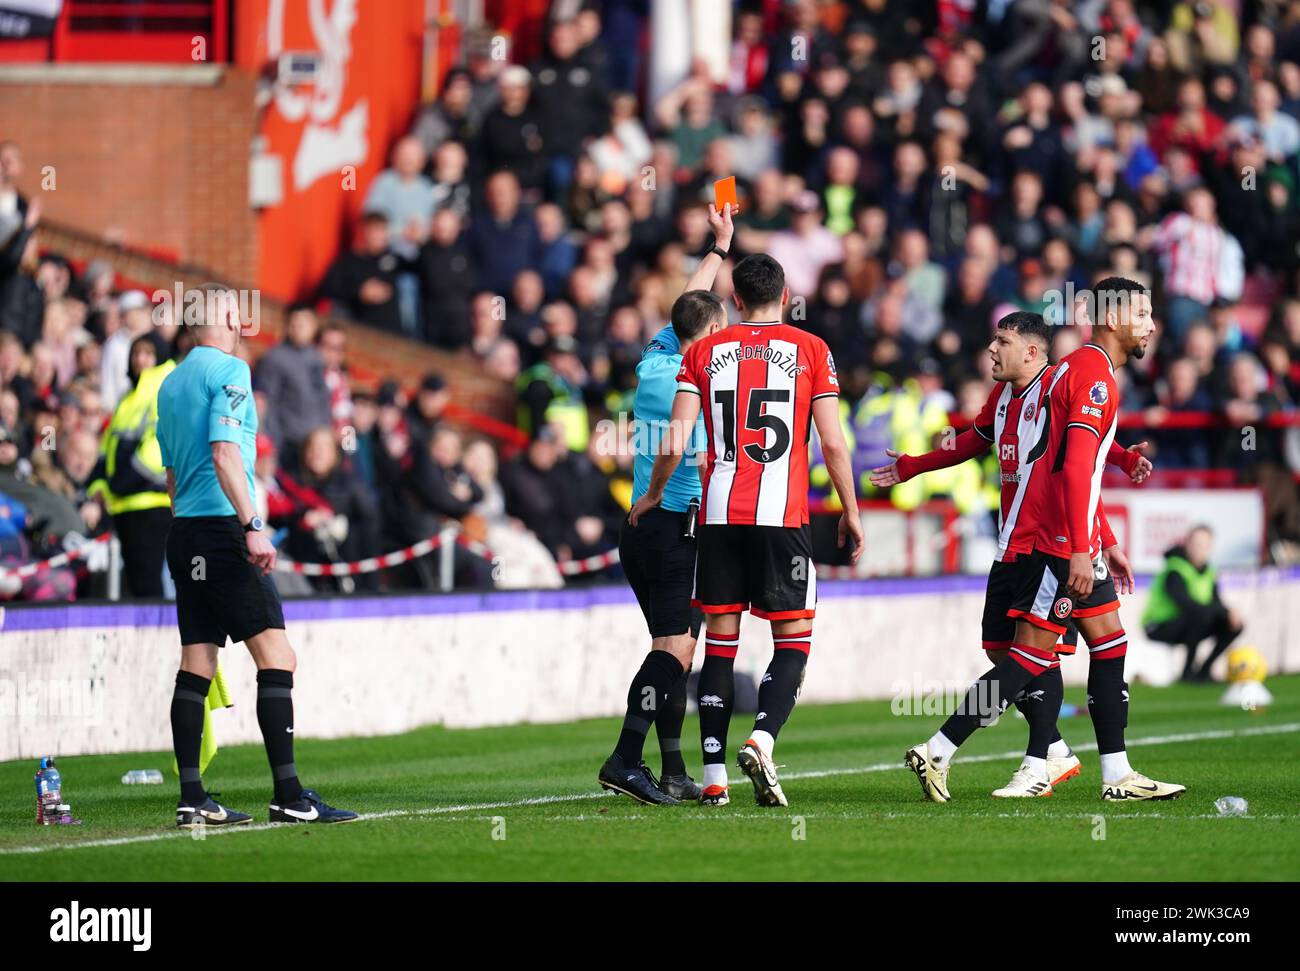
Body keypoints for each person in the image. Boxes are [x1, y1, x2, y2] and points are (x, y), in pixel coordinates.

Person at [905, 278, 1185, 803]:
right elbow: (1073, 464)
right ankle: (948, 748)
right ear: (1115, 317)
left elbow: (1080, 458)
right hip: (1051, 541)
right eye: (1144, 314)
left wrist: (1106, 523)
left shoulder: (1071, 373)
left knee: (1107, 643)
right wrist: (1085, 543)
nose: (1151, 325)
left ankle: (1103, 770)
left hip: (1057, 537)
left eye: (1002, 343)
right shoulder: (1087, 375)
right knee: (1024, 657)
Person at [629, 252, 863, 808]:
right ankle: (761, 738)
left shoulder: (704, 351)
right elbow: (831, 442)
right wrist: (850, 509)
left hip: (714, 516)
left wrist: (656, 493)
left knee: (720, 647)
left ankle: (713, 779)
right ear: (785, 297)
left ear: (734, 301)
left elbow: (676, 439)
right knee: (793, 641)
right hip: (782, 517)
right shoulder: (812, 350)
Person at [156, 284, 356, 827]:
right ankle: (288, 795)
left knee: (197, 661)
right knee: (278, 657)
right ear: (221, 317)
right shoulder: (230, 372)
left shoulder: (170, 383)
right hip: (224, 528)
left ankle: (193, 797)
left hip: (186, 532)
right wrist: (252, 525)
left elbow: (172, 476)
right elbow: (224, 453)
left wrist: (197, 525)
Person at [596, 202, 733, 806]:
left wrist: (719, 248)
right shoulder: (696, 373)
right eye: (722, 326)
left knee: (672, 647)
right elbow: (677, 445)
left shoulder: (656, 355)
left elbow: (691, 298)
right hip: (673, 521)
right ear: (707, 335)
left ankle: (673, 768)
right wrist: (654, 492)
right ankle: (626, 758)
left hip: (640, 531)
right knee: (676, 651)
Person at [88, 334, 174, 598]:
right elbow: (107, 447)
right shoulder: (128, 396)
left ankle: (157, 638)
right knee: (137, 583)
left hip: (150, 503)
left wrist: (119, 483)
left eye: (148, 353)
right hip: (124, 503)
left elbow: (160, 445)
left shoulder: (166, 387)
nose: (140, 359)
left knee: (149, 583)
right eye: (136, 353)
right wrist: (99, 484)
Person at [1142, 525, 1243, 681]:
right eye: (1196, 544)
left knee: (1234, 624)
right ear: (1187, 544)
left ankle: (1205, 671)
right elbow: (1185, 604)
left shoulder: (1209, 572)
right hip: (1158, 626)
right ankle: (1188, 672)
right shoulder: (1175, 569)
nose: (1199, 550)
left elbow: (1215, 602)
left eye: (1204, 546)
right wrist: (1220, 611)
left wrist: (1229, 613)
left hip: (1190, 624)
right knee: (1200, 615)